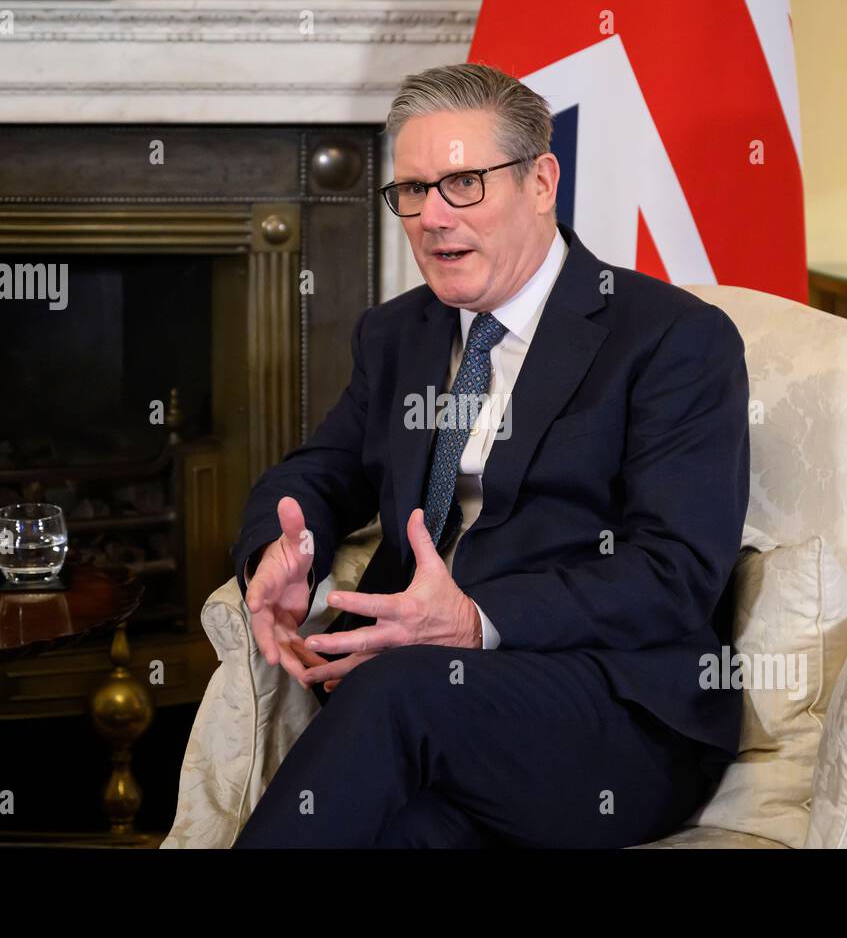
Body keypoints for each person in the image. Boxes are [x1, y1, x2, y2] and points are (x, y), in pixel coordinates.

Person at [231, 62, 749, 848]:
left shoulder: (672, 338)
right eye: (413, 190)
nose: (433, 217)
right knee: (408, 836)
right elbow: (321, 472)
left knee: (400, 692)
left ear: (541, 182)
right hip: (437, 714)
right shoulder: (396, 333)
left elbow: (675, 573)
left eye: (463, 184)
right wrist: (282, 548)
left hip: (611, 708)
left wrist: (478, 621)